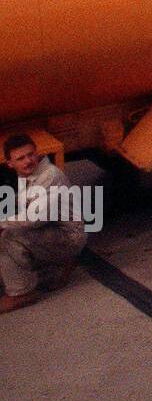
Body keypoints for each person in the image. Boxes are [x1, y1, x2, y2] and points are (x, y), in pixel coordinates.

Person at [1, 134, 85, 314]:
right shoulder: (27, 175)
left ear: (37, 153)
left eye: (31, 154)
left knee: (9, 237)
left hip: (68, 236)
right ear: (10, 163)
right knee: (10, 227)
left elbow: (34, 218)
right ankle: (59, 263)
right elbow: (28, 201)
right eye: (21, 158)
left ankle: (22, 293)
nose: (28, 160)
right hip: (52, 228)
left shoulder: (49, 175)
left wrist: (2, 223)